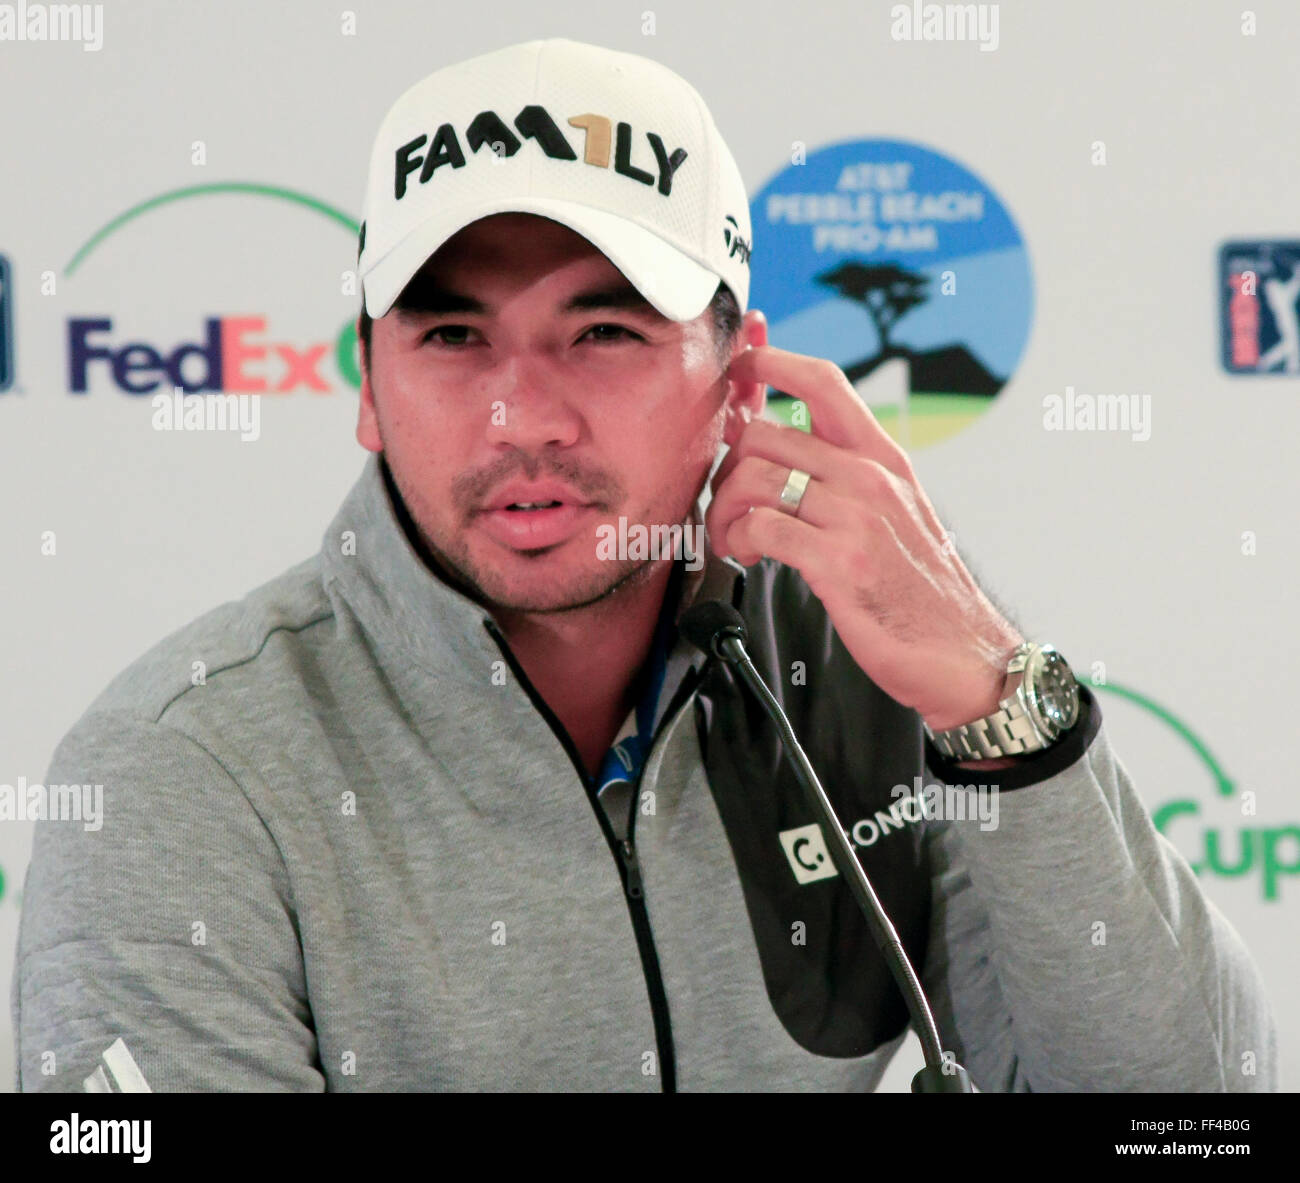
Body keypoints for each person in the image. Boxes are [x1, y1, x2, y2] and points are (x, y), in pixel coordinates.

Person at [10, 36, 1277, 1092]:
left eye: (604, 329)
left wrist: (1001, 708)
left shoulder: (857, 663)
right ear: (368, 387)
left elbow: (1191, 1119)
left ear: (741, 382)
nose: (523, 418)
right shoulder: (180, 774)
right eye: (452, 333)